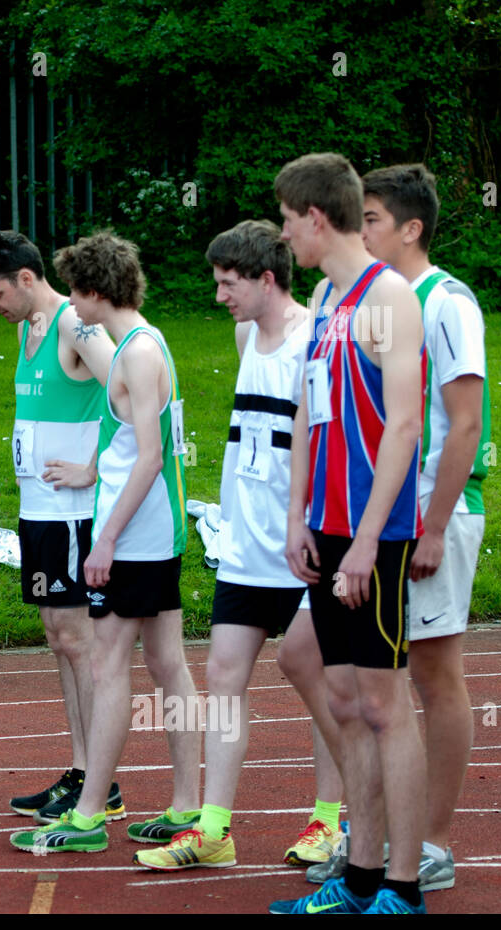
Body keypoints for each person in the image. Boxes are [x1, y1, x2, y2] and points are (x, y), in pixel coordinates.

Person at [132, 220, 344, 870]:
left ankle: (334, 817)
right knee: (223, 675)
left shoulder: (317, 339)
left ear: (266, 279)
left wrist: (301, 523)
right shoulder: (246, 333)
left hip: (302, 539)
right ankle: (215, 827)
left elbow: (324, 445)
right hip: (246, 542)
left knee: (316, 676)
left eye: (229, 283)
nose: (219, 295)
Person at [269, 152, 428, 915]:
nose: (282, 234)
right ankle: (360, 874)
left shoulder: (389, 298)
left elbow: (405, 423)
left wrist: (366, 541)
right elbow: (308, 412)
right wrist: (300, 517)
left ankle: (403, 884)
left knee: (382, 702)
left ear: (315, 217)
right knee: (340, 694)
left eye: (287, 219)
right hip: (326, 529)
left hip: (378, 534)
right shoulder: (328, 299)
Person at [9, 230, 200, 854]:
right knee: (166, 664)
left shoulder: (139, 353)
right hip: (146, 532)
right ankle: (183, 806)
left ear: (93, 292)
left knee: (111, 662)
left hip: (139, 536)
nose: (69, 302)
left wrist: (104, 539)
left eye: (73, 290)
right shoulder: (135, 348)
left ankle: (91, 814)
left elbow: (149, 458)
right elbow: (130, 450)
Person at [356, 164, 489, 892]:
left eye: (372, 217)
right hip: (388, 519)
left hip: (436, 518)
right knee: (370, 674)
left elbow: (464, 422)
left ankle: (434, 839)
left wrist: (434, 525)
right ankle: (381, 825)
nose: (362, 229)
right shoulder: (387, 303)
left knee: (436, 674)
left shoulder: (448, 303)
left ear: (410, 227)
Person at [0, 229, 128, 824]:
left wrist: (95, 467)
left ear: (27, 279)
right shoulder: (25, 330)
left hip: (72, 515)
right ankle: (83, 769)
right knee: (61, 643)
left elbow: (130, 388)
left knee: (79, 644)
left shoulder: (72, 326)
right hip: (38, 513)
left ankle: (99, 782)